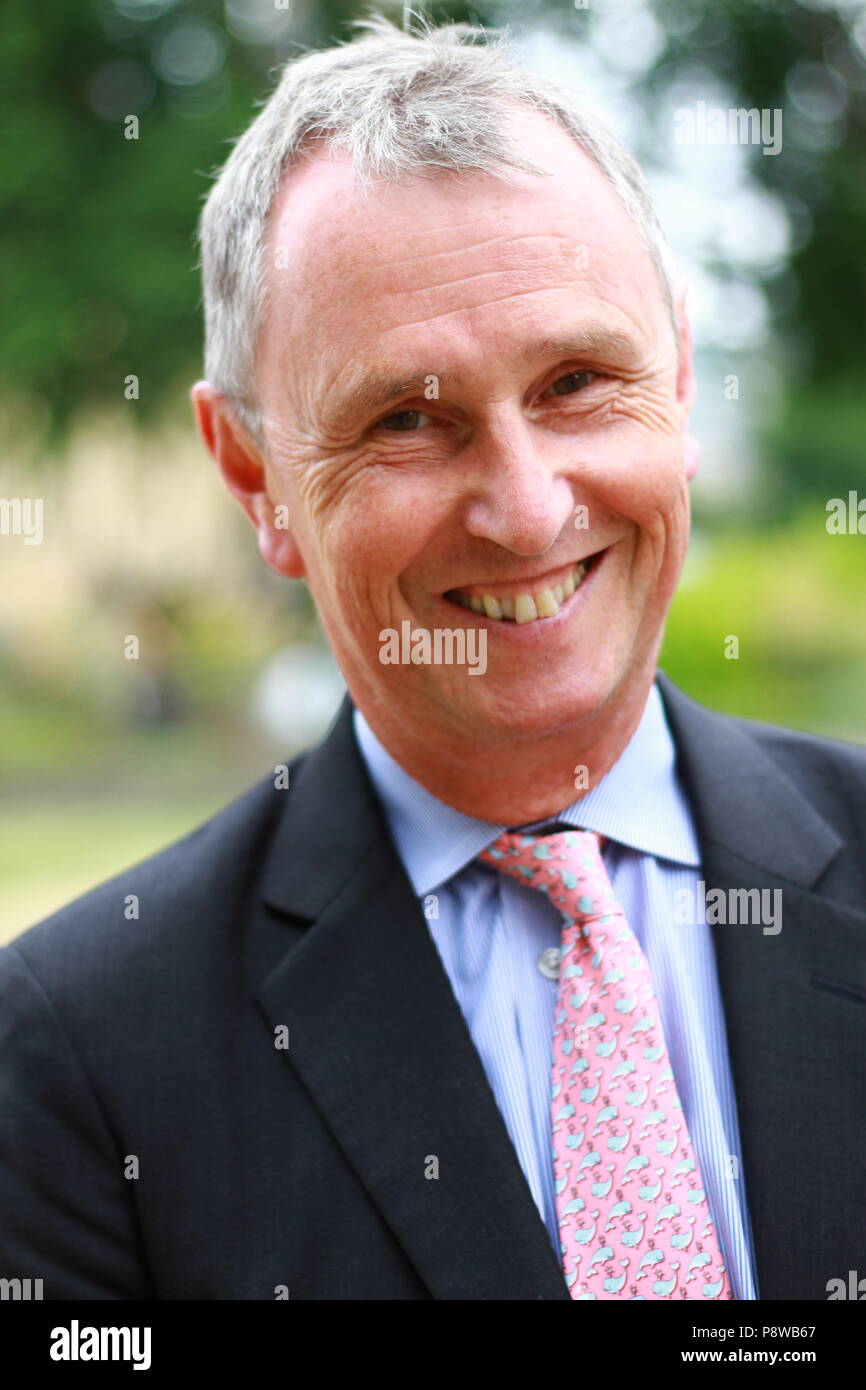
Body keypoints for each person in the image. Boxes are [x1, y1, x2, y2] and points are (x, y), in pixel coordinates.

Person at [2, 14, 864, 1303]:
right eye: (408, 419)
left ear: (681, 379)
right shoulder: (79, 1052)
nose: (526, 510)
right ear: (256, 475)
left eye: (579, 381)